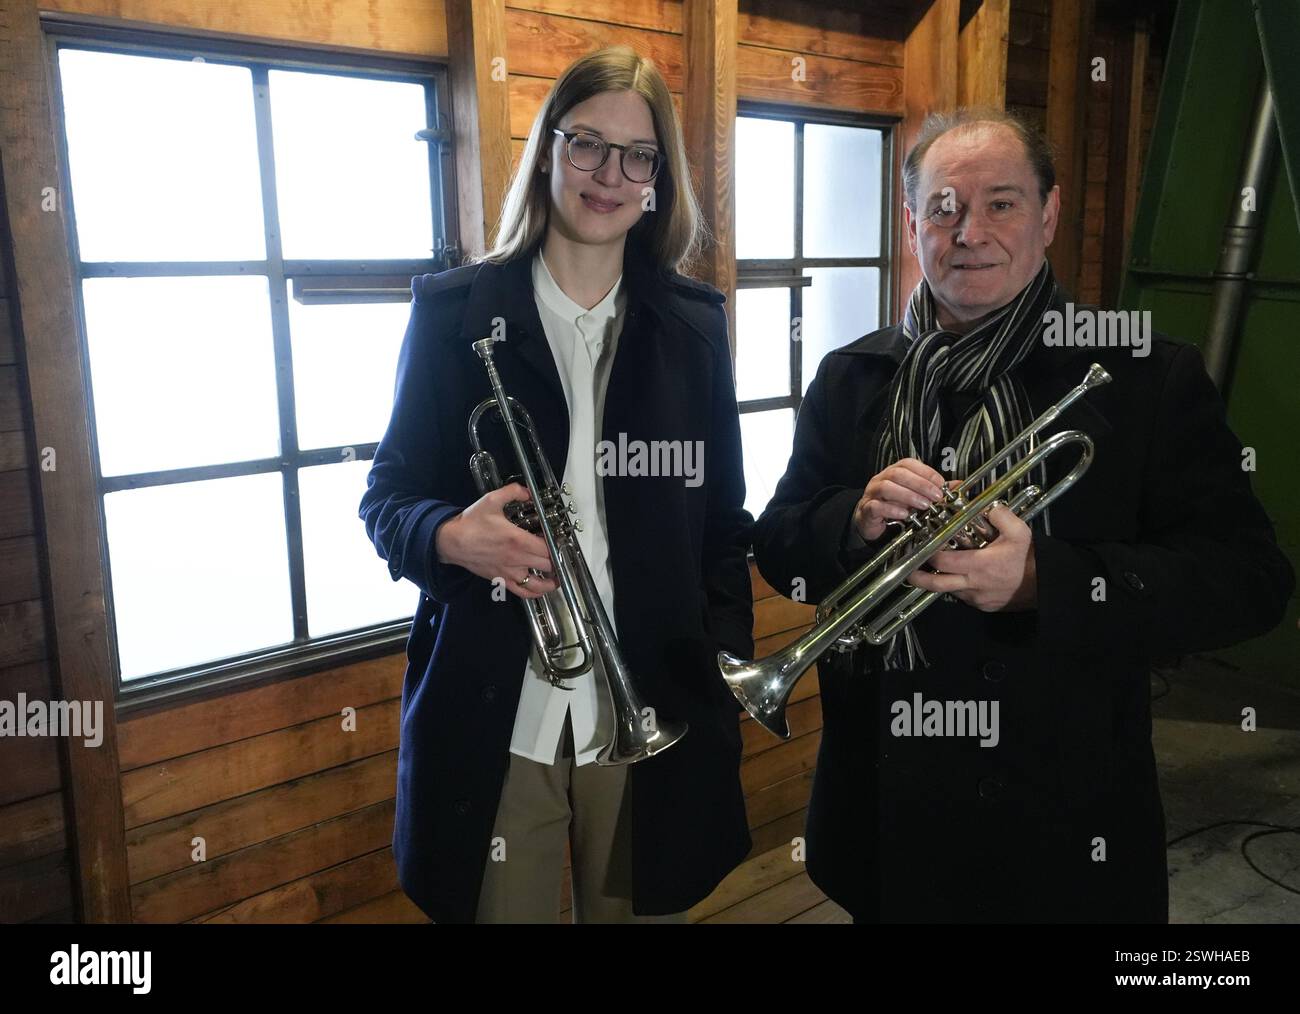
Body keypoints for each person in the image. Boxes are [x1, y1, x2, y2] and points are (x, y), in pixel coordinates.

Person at [749, 107, 1295, 922]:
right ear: (912, 225)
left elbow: (1251, 583)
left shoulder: (1145, 377)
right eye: (943, 208)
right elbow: (780, 546)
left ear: (1048, 214)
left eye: (1001, 203)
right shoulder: (851, 377)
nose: (969, 232)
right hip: (886, 816)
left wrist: (1047, 579)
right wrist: (849, 523)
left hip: (1061, 826)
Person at [359, 46, 753, 924]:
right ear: (548, 151)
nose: (609, 176)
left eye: (638, 156)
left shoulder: (693, 329)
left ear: (659, 179)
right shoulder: (453, 312)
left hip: (651, 705)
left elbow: (724, 527)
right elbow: (386, 496)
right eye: (587, 144)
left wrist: (721, 674)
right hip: (501, 714)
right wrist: (448, 537)